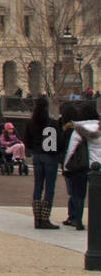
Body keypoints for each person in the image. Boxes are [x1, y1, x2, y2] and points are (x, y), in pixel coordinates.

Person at [62, 101, 101, 231]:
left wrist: (66, 167)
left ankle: (77, 220)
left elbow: (71, 150)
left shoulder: (78, 130)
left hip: (82, 166)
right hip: (99, 167)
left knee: (79, 195)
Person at [25, 96, 60, 229]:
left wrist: (35, 148)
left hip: (37, 155)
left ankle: (37, 218)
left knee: (38, 186)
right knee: (50, 187)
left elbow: (27, 141)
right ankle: (45, 218)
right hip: (50, 156)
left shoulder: (30, 123)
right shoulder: (52, 123)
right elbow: (60, 141)